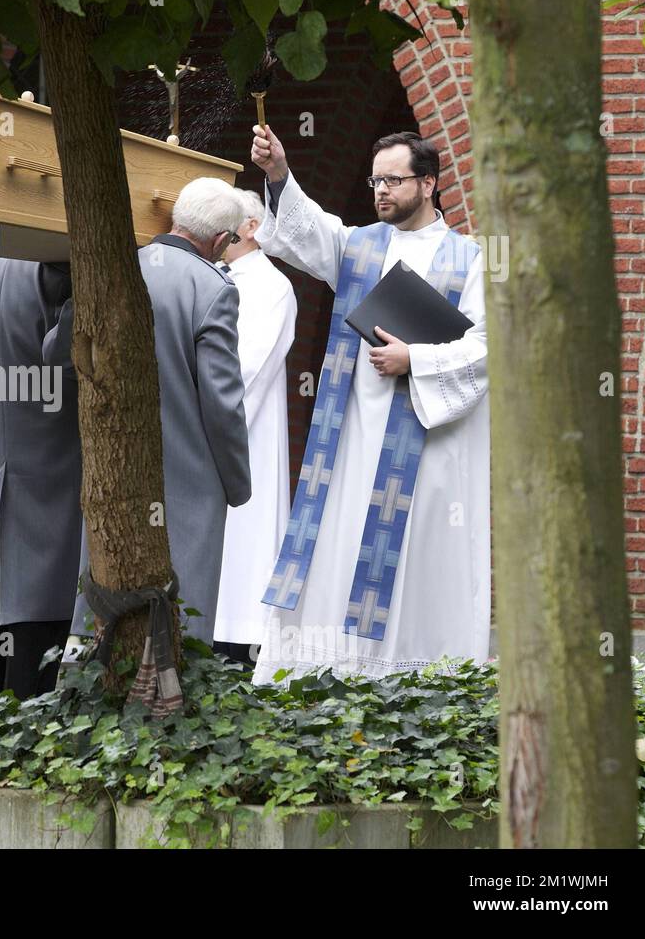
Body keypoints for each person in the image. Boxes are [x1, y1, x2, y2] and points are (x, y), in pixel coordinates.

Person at [249, 126, 489, 683]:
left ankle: (416, 680)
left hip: (427, 443)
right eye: (376, 180)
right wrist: (279, 173)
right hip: (353, 437)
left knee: (416, 555)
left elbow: (486, 345)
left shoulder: (468, 259)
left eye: (394, 180)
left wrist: (417, 361)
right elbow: (306, 231)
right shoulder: (359, 245)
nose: (381, 190)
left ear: (428, 183)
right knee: (342, 538)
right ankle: (333, 672)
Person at [50, 177, 252, 646]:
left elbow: (59, 353)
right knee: (181, 620)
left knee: (105, 609)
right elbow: (222, 403)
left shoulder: (112, 268)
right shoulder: (213, 289)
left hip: (109, 470)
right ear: (221, 240)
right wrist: (237, 483)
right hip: (188, 482)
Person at [0, 258, 79, 703]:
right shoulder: (55, 263)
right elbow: (60, 353)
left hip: (0, 431)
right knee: (41, 583)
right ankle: (25, 713)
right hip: (50, 441)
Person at [211, 188, 297, 665]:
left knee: (244, 551)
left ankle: (240, 649)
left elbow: (246, 368)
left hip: (244, 437)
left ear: (250, 227)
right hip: (208, 435)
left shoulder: (269, 286)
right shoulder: (214, 276)